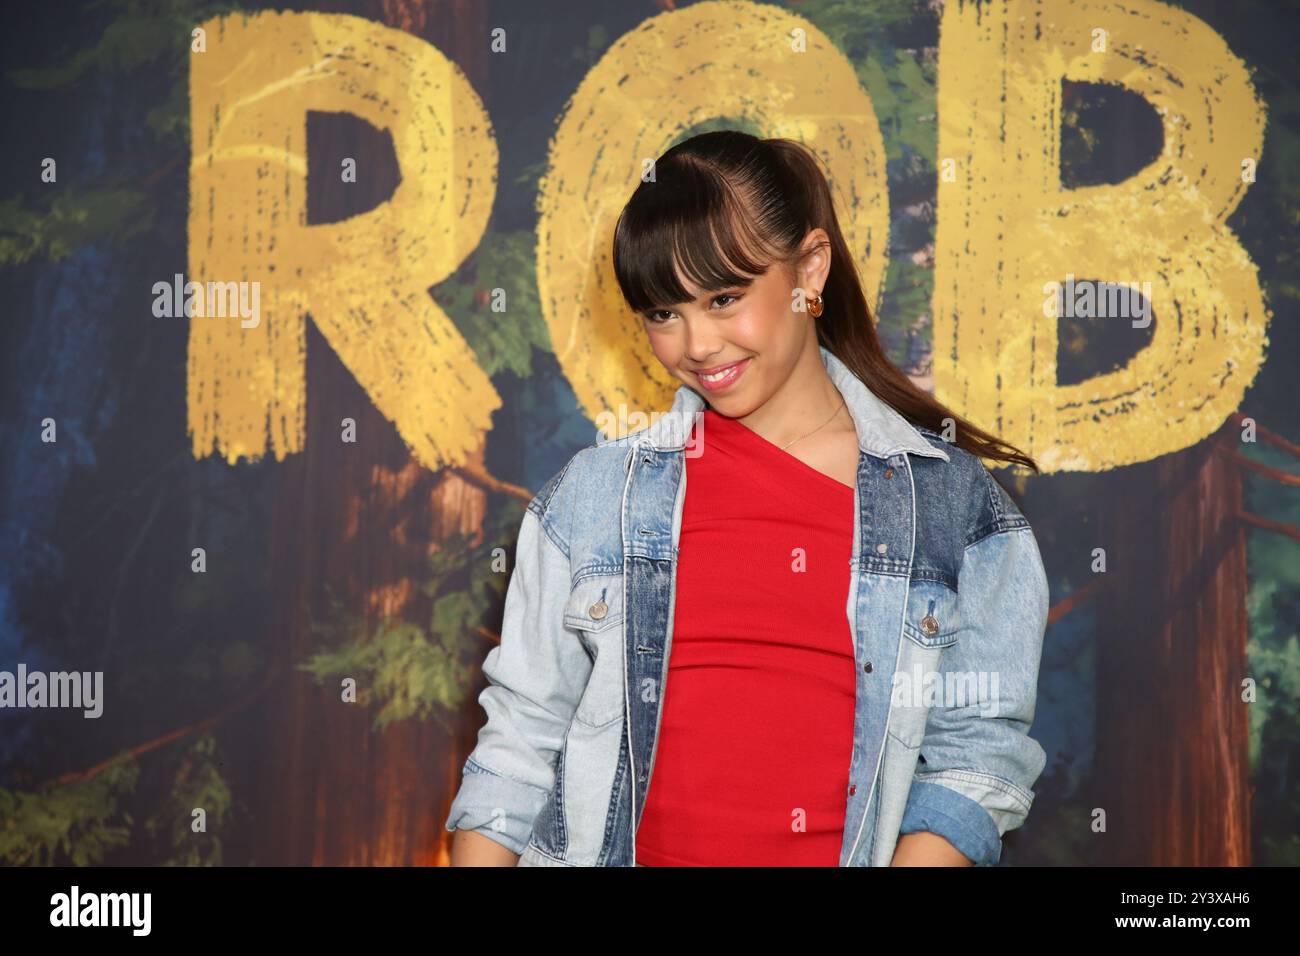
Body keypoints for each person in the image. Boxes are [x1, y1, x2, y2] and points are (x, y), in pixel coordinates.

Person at [446, 130, 1049, 867]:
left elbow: (977, 759)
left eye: (725, 297)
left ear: (810, 269)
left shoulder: (955, 509)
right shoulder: (593, 499)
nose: (697, 344)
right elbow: (516, 745)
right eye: (663, 313)